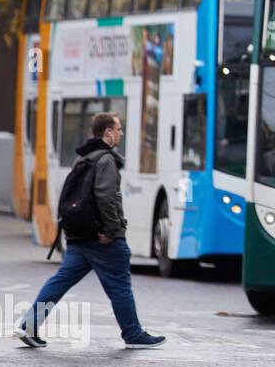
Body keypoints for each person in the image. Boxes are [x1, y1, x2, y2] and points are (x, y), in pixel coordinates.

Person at [16, 113, 165, 349]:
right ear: (108, 133)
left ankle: (28, 325)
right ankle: (133, 334)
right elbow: (107, 198)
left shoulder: (84, 158)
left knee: (60, 281)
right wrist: (113, 230)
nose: (121, 133)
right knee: (119, 284)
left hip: (79, 235)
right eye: (118, 129)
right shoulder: (105, 160)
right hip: (101, 238)